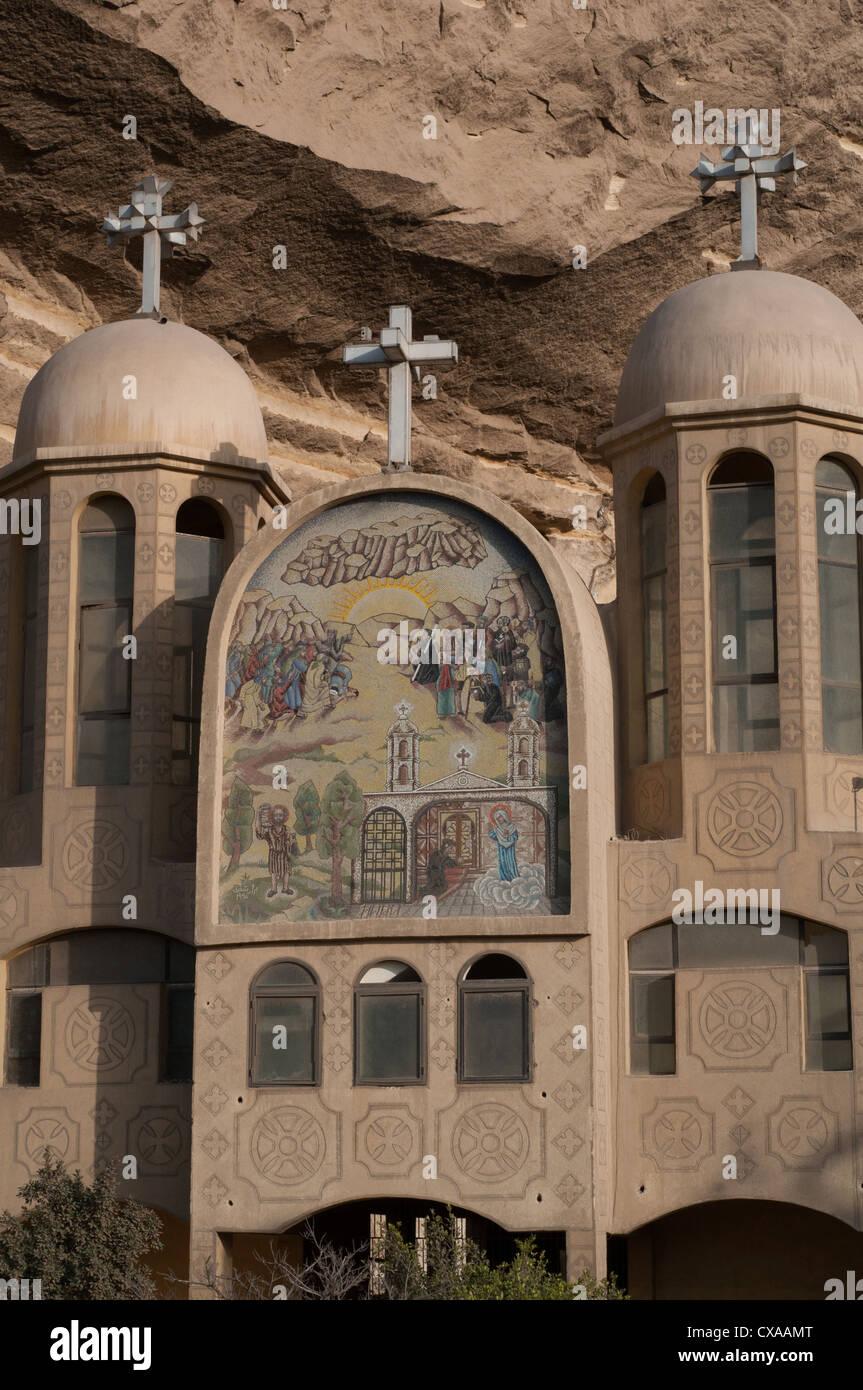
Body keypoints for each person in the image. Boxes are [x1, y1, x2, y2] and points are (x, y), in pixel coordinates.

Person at [256, 804, 298, 897]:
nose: (278, 817)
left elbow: (293, 842)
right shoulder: (269, 831)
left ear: (284, 816)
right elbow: (259, 833)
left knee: (286, 871)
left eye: (280, 815)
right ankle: (274, 889)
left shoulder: (287, 829)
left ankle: (285, 888)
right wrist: (258, 816)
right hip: (273, 854)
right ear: (272, 817)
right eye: (276, 815)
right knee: (274, 871)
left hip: (285, 854)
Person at [489, 805, 519, 882]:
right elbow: (494, 837)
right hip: (501, 850)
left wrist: (508, 837)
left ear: (505, 816)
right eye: (497, 818)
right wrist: (491, 831)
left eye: (500, 817)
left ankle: (514, 879)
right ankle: (505, 880)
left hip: (509, 850)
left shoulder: (511, 827)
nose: (499, 819)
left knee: (510, 863)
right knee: (502, 864)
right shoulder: (497, 828)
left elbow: (515, 837)